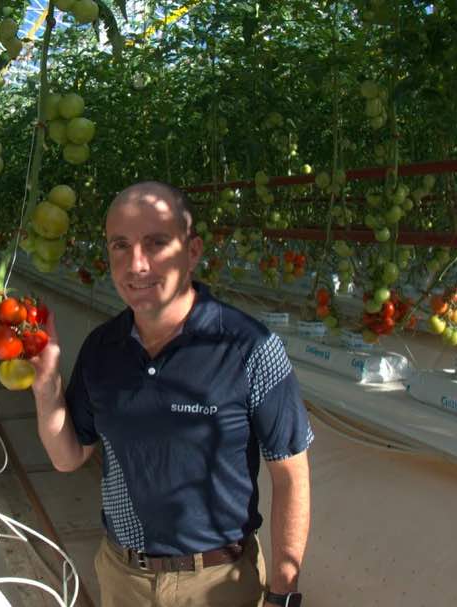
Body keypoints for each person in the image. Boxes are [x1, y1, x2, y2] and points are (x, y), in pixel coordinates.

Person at [29, 181, 312, 607]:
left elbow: (290, 475)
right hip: (124, 579)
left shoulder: (249, 347)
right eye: (119, 245)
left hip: (218, 584)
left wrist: (283, 592)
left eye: (156, 243)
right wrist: (45, 381)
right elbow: (69, 457)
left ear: (193, 250)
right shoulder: (102, 349)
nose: (136, 263)